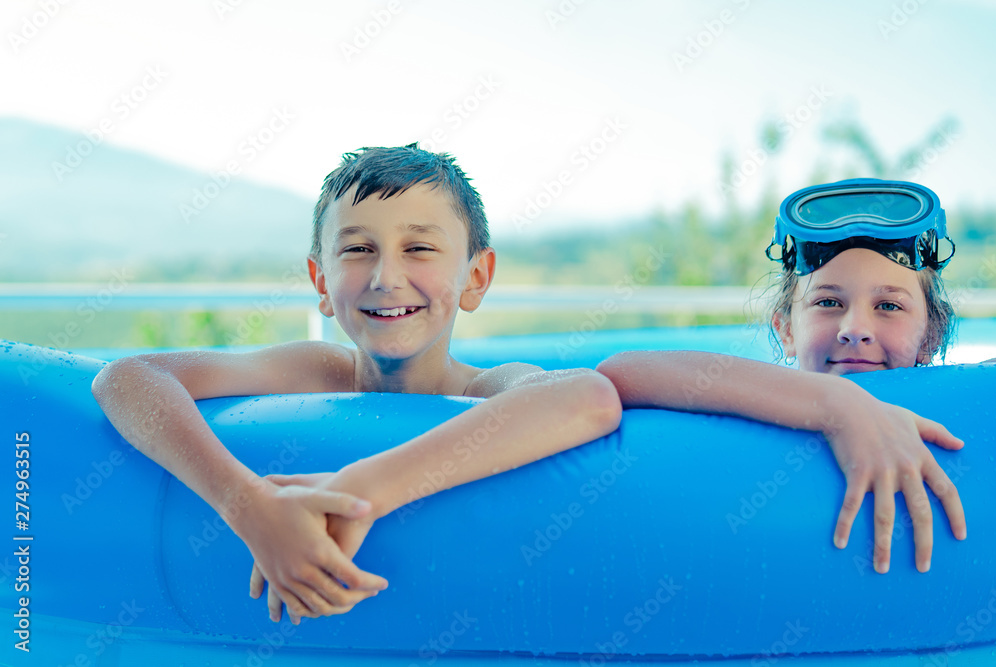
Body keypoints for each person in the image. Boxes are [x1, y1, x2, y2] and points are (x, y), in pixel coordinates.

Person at [92, 144, 622, 623]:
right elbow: (128, 376)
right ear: (321, 282)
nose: (385, 277)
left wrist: (357, 491)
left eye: (418, 248)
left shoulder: (485, 390)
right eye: (356, 249)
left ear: (475, 277)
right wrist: (248, 506)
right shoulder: (317, 372)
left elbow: (589, 397)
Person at [598, 178, 995, 575]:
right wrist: (836, 404)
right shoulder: (768, 393)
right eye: (827, 302)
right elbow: (619, 373)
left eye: (888, 305)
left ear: (931, 335)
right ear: (787, 330)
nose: (855, 327)